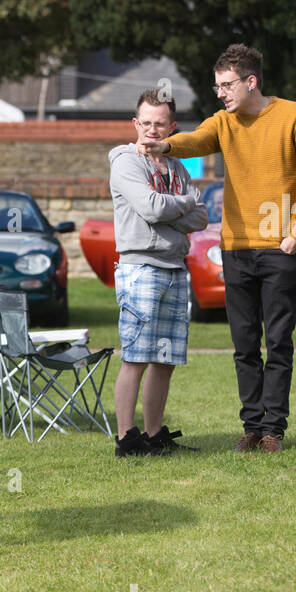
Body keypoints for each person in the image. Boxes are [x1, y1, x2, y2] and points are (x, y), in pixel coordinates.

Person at [140, 44, 296, 452]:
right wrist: (163, 145)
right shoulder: (223, 122)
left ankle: (274, 429)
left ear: (250, 81)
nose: (220, 93)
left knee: (278, 342)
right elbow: (196, 140)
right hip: (235, 249)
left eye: (226, 85)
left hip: (280, 247)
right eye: (217, 86)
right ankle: (251, 427)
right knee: (243, 344)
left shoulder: (294, 115)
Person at [107, 90, 207, 457]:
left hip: (175, 269)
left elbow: (203, 216)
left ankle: (153, 435)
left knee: (165, 359)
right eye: (145, 122)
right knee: (135, 356)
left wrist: (177, 209)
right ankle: (126, 439)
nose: (151, 129)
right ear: (135, 124)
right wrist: (184, 204)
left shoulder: (178, 167)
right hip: (141, 268)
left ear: (172, 127)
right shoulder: (125, 163)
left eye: (159, 124)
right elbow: (150, 208)